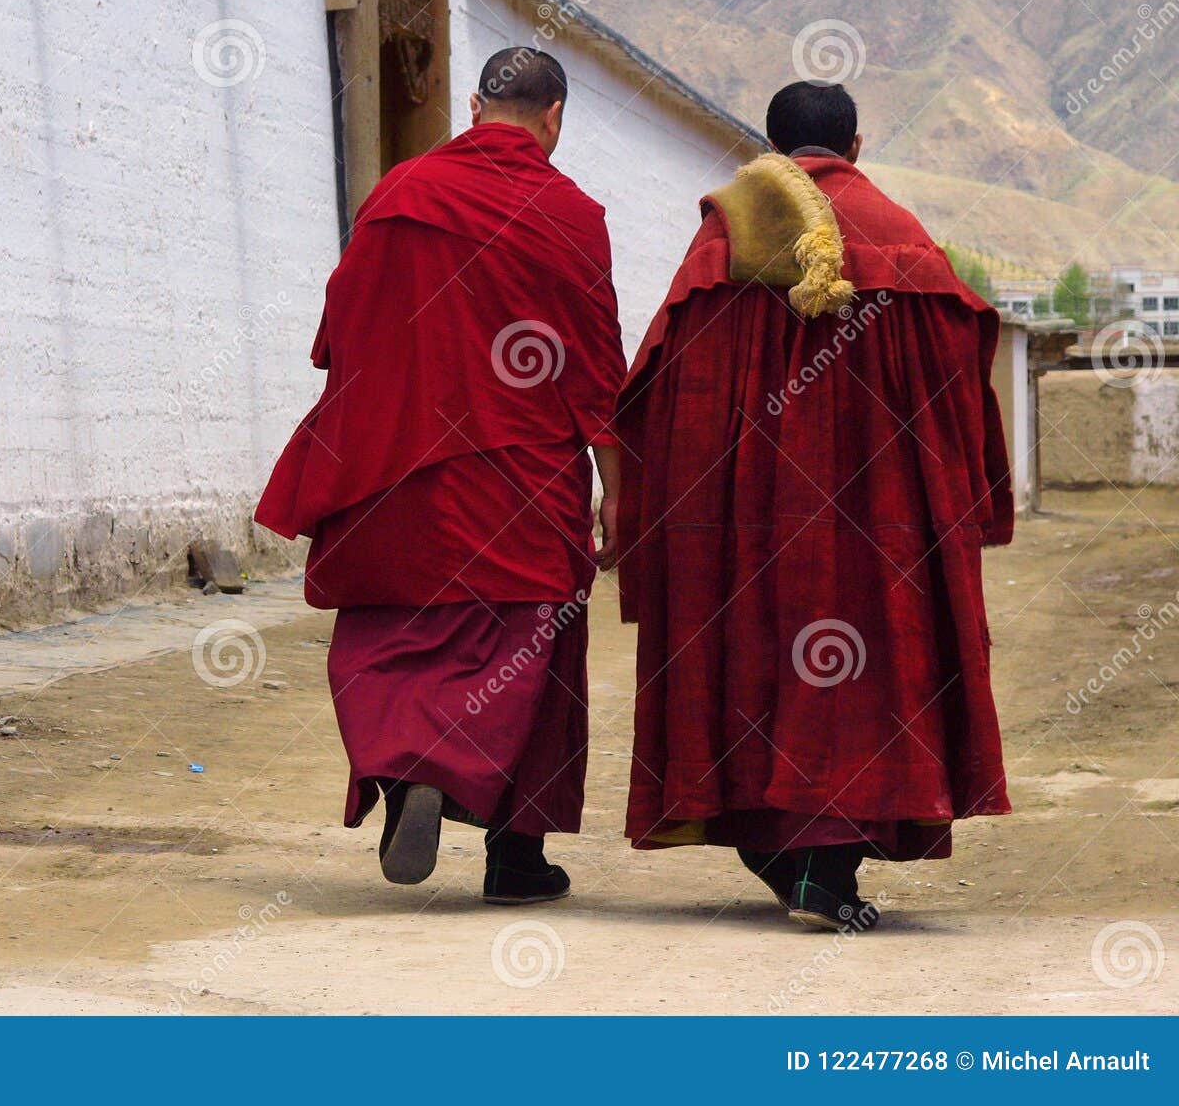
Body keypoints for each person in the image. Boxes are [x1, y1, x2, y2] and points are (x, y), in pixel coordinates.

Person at [613, 81, 1013, 930]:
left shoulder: (727, 235)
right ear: (856, 147)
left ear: (770, 145)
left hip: (751, 508)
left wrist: (688, 505)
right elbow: (958, 389)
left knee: (755, 648)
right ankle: (823, 866)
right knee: (869, 662)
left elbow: (666, 385)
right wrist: (954, 499)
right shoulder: (902, 236)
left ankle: (779, 847)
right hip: (882, 515)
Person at [255, 47, 625, 904]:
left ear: (473, 106)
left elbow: (337, 335)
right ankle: (516, 859)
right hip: (524, 471)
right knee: (531, 647)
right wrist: (618, 487)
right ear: (554, 116)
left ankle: (404, 769)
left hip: (398, 465)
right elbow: (597, 366)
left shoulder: (400, 194)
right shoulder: (570, 213)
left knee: (398, 628)